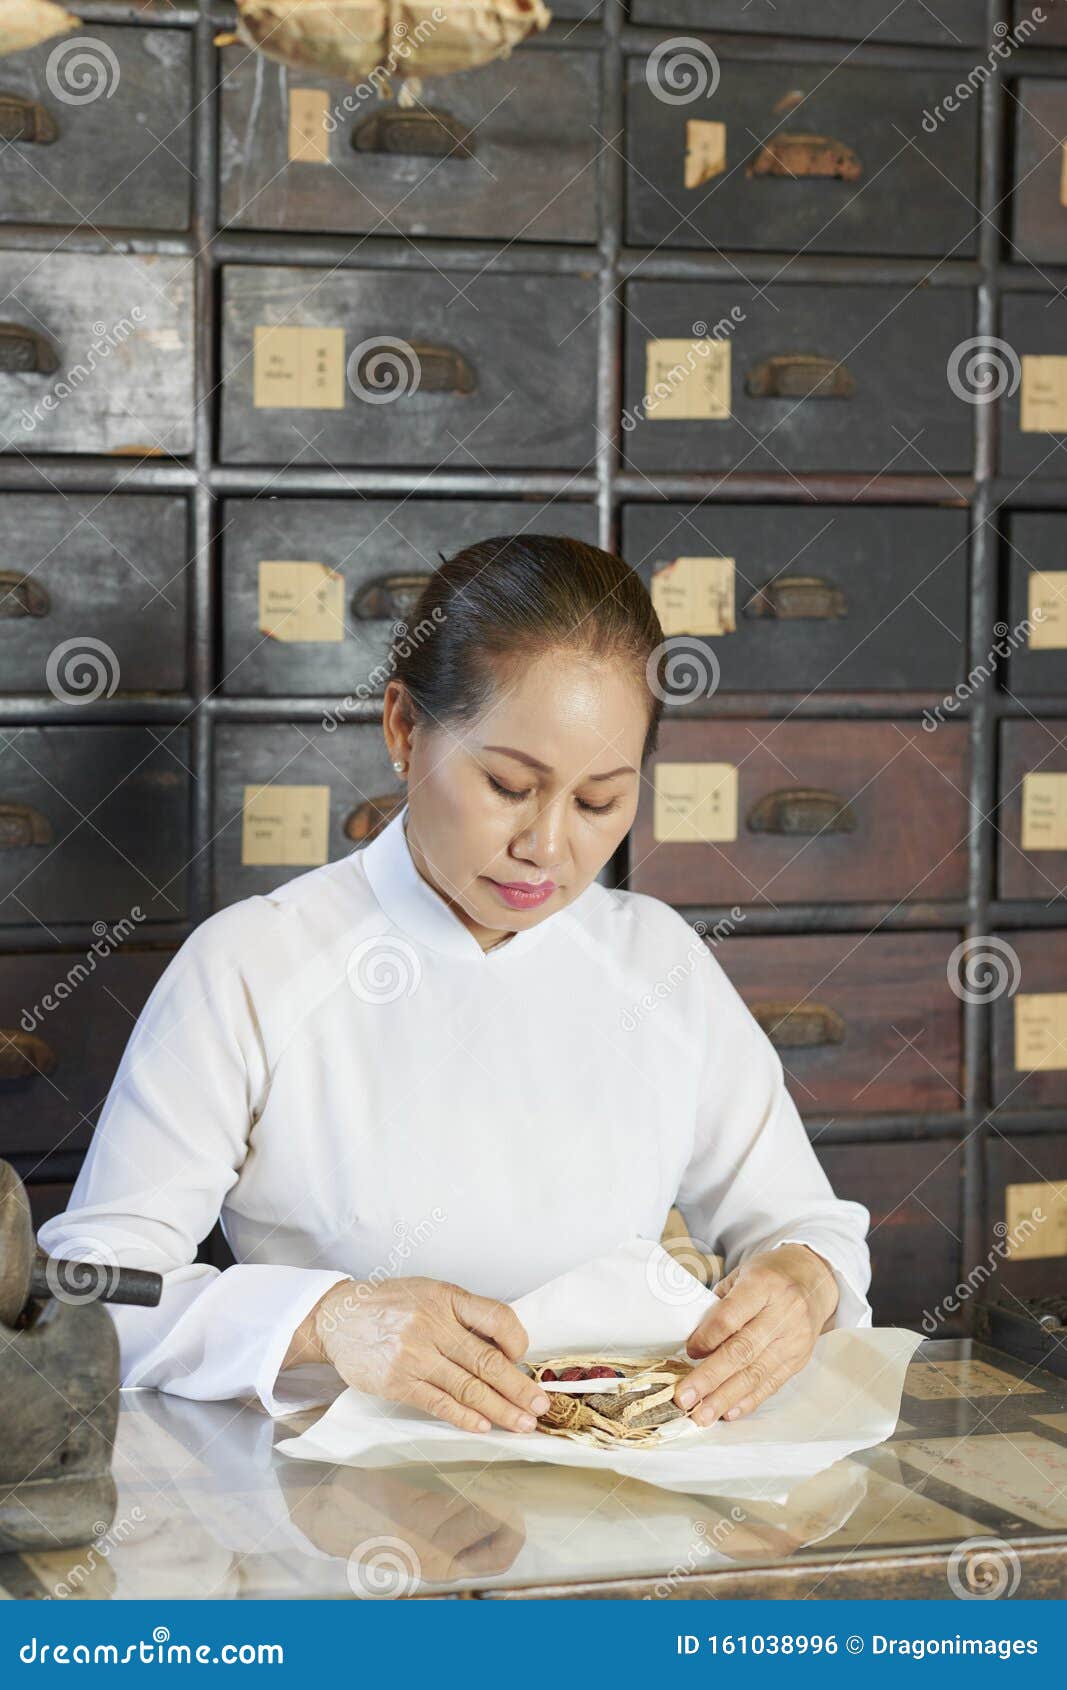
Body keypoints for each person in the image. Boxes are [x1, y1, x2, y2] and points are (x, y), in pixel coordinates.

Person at [38, 534, 871, 1436]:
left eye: (599, 803)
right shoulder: (253, 964)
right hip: (330, 1521)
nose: (548, 848)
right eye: (508, 784)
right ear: (403, 728)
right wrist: (325, 1321)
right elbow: (90, 1291)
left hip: (606, 1503)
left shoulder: (655, 960)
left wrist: (802, 1282)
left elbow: (806, 1227)